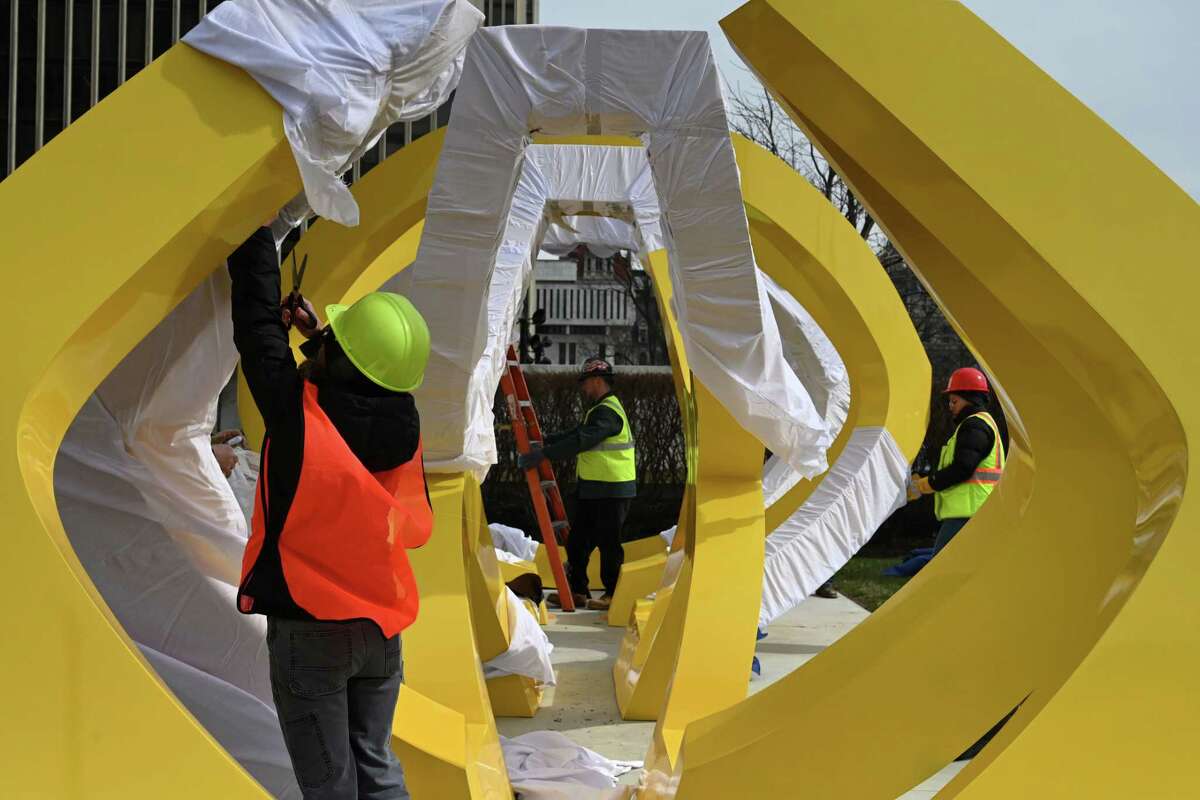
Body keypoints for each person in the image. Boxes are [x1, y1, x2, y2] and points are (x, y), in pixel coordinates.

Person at [229, 222, 433, 799]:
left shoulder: (298, 416)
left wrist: (254, 234)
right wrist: (321, 336)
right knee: (377, 769)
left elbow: (256, 334)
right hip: (380, 627)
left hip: (311, 626)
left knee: (329, 788)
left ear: (339, 360)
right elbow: (360, 385)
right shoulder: (404, 424)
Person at [518, 357, 636, 611]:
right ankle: (578, 591)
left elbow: (582, 440)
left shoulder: (608, 412)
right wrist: (547, 441)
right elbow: (576, 433)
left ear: (597, 380)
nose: (583, 388)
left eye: (585, 382)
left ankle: (613, 594)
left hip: (612, 489)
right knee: (578, 542)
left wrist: (544, 455)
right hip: (594, 488)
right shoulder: (599, 410)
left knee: (609, 543)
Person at [884, 367, 1005, 577]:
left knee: (942, 572)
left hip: (968, 514)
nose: (950, 407)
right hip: (973, 512)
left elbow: (962, 468)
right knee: (954, 570)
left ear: (971, 399)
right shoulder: (976, 425)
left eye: (954, 401)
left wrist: (925, 485)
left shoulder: (974, 427)